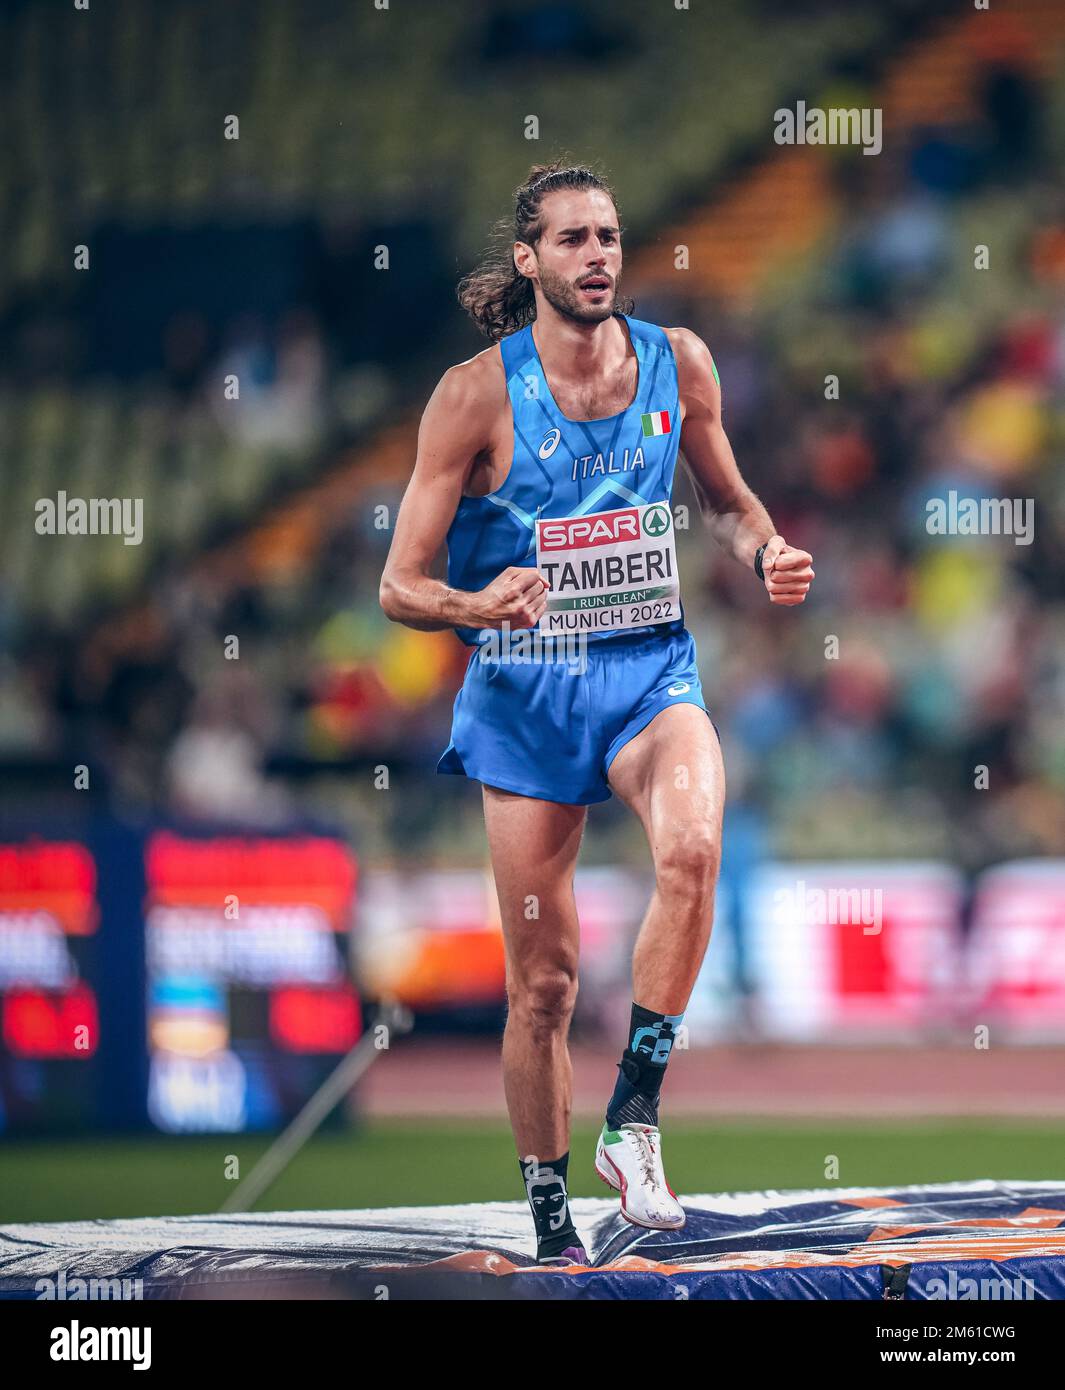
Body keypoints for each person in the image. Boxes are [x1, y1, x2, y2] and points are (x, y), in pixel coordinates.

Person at [380, 162, 814, 1265]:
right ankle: (550, 1221)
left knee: (695, 845)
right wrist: (477, 603)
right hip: (526, 701)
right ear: (528, 260)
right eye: (572, 239)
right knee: (546, 985)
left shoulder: (682, 364)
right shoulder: (473, 393)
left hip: (646, 676)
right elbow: (399, 582)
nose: (598, 255)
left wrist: (764, 546)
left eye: (610, 235)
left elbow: (721, 499)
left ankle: (636, 1118)